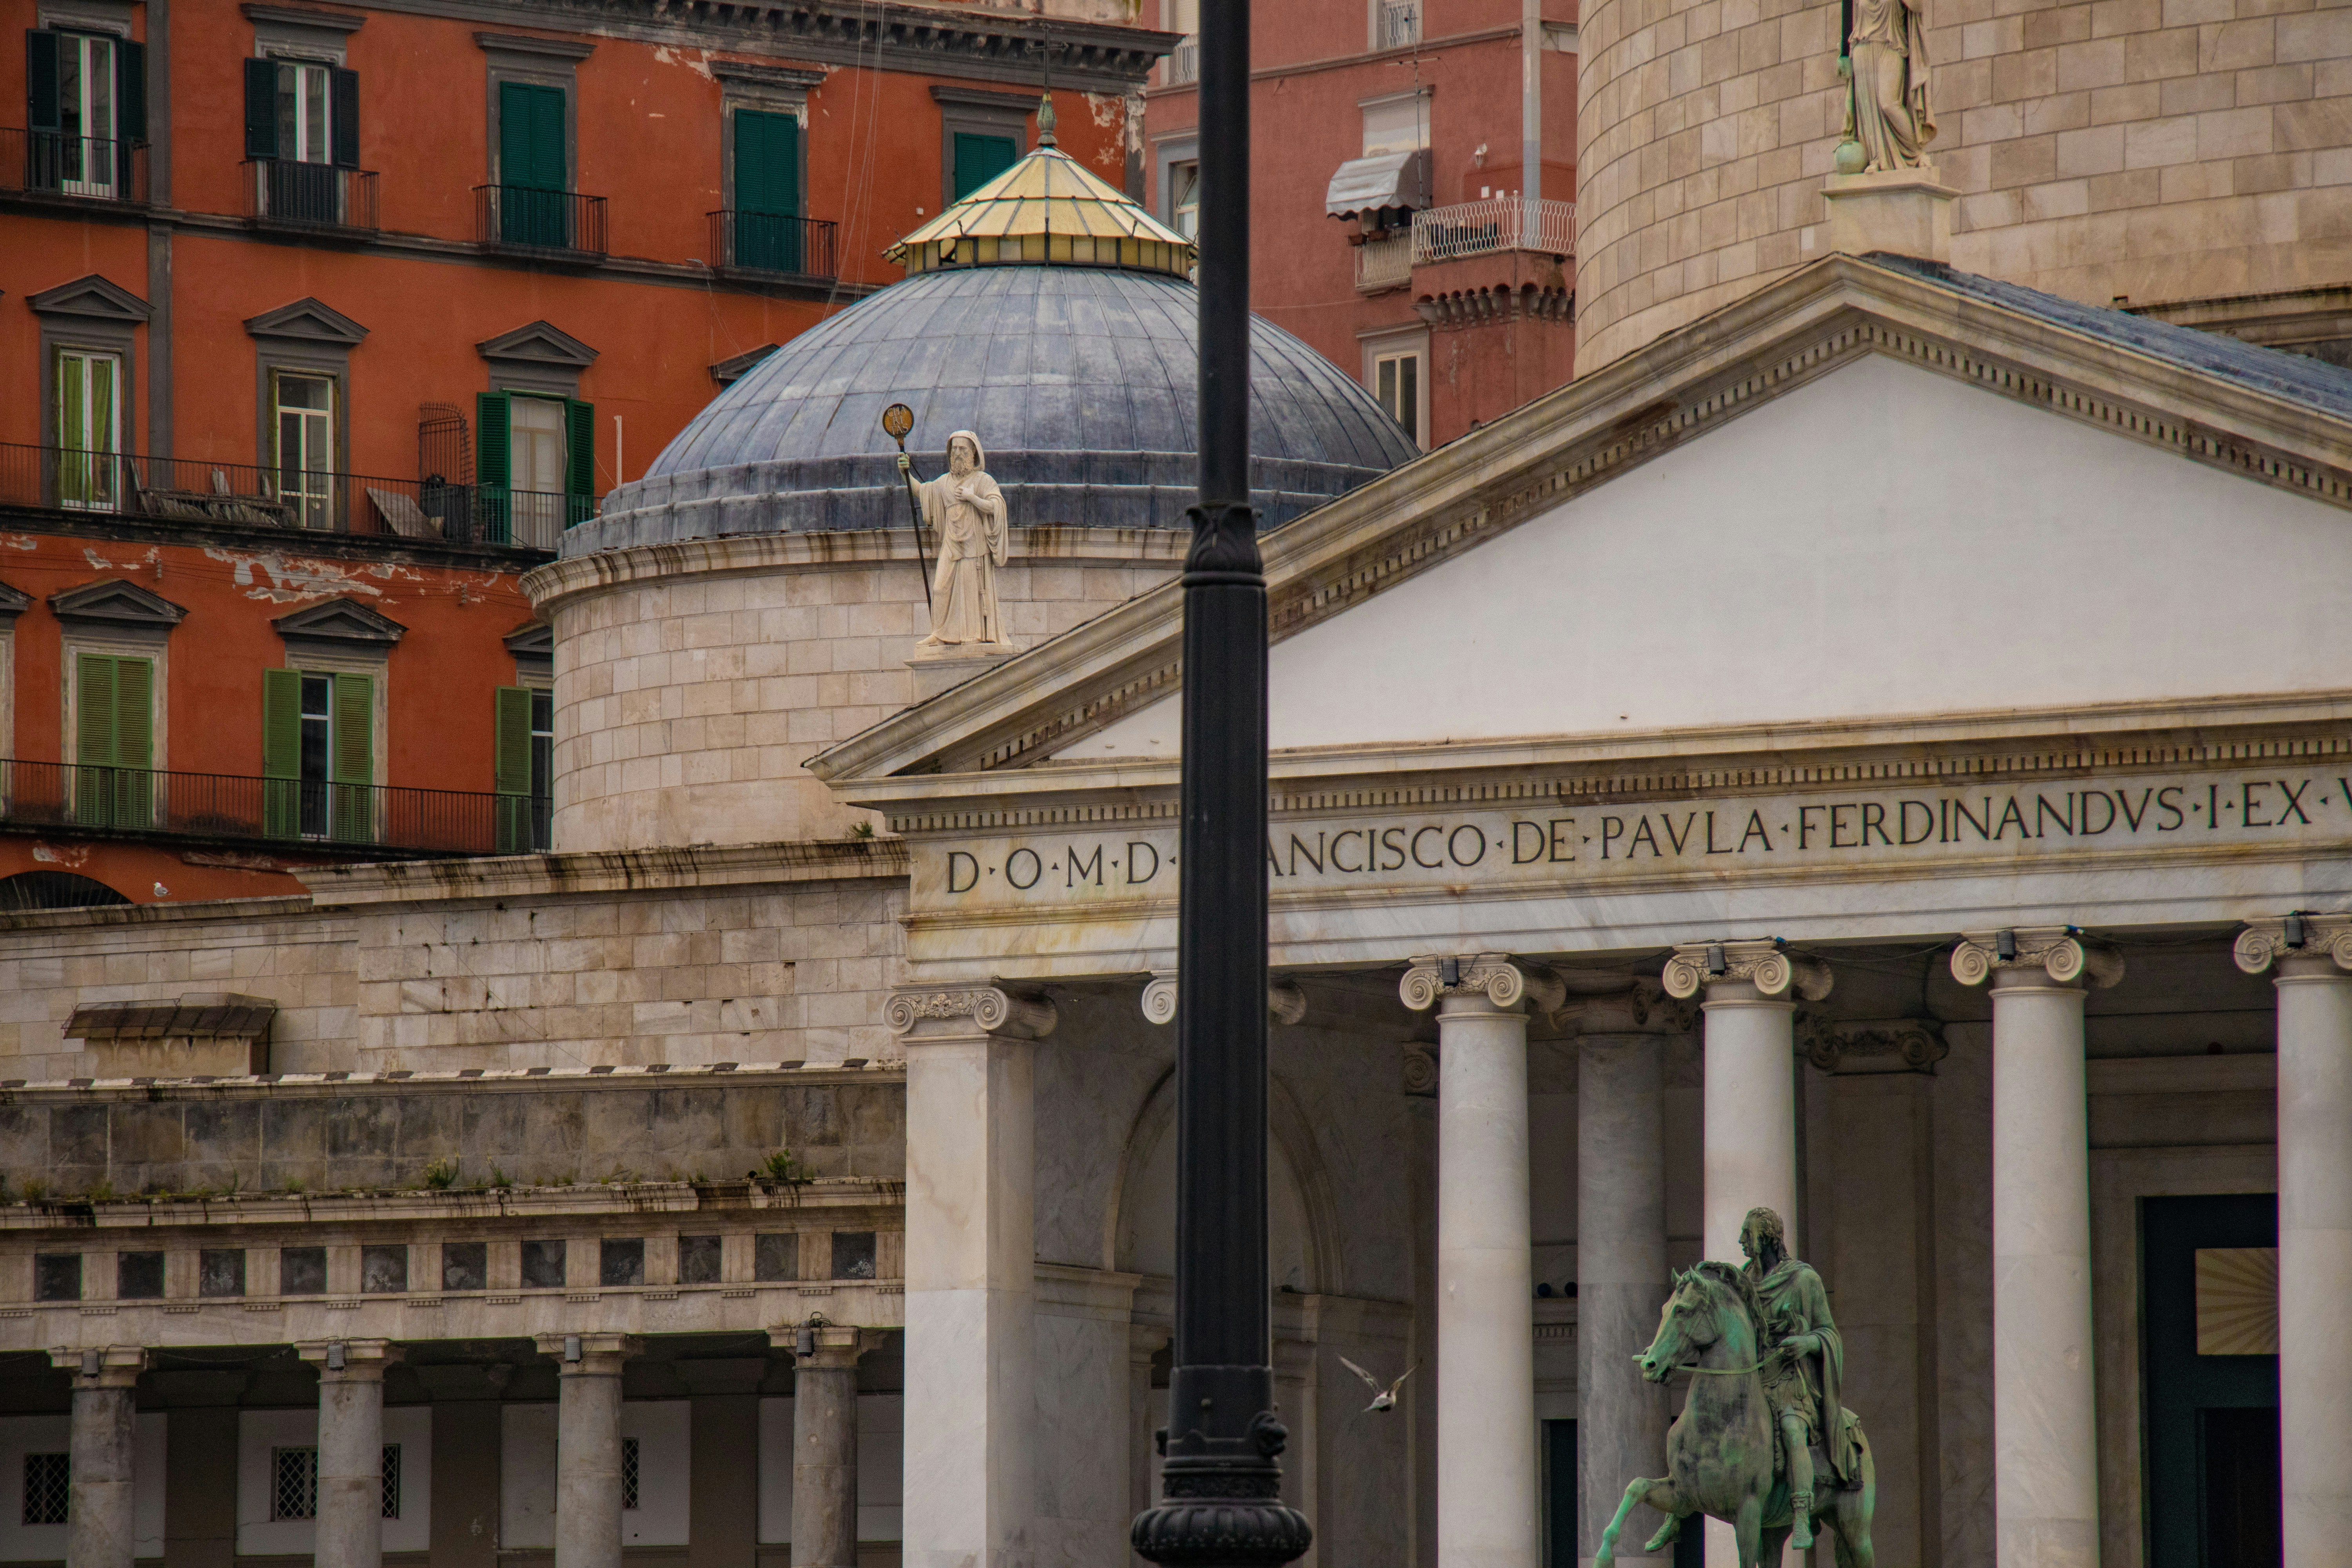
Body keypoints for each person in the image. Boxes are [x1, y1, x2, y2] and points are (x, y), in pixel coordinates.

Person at [1738, 1206, 1857, 1550]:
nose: (1741, 1242)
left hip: (1791, 1382)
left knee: (1792, 1430)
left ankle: (1802, 1515)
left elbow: (1830, 1334)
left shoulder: (1804, 1280)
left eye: (1749, 1235)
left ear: (1768, 1239)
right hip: (1753, 1383)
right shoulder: (1745, 1283)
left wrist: (1806, 1342)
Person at [902, 431, 1010, 649]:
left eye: (963, 449)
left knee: (971, 590)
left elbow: (996, 507)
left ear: (973, 454)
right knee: (940, 587)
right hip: (952, 543)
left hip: (974, 543)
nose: (958, 454)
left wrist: (972, 498)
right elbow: (922, 492)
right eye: (954, 450)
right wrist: (905, 473)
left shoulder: (982, 480)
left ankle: (974, 634)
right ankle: (939, 632)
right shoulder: (945, 482)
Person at [1847, 0, 1935, 172]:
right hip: (1863, 48)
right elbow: (1852, 22)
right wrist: (1845, 56)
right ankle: (1877, 158)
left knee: (1889, 104)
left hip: (1891, 46)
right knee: (1869, 108)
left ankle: (1916, 153)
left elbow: (1917, 6)